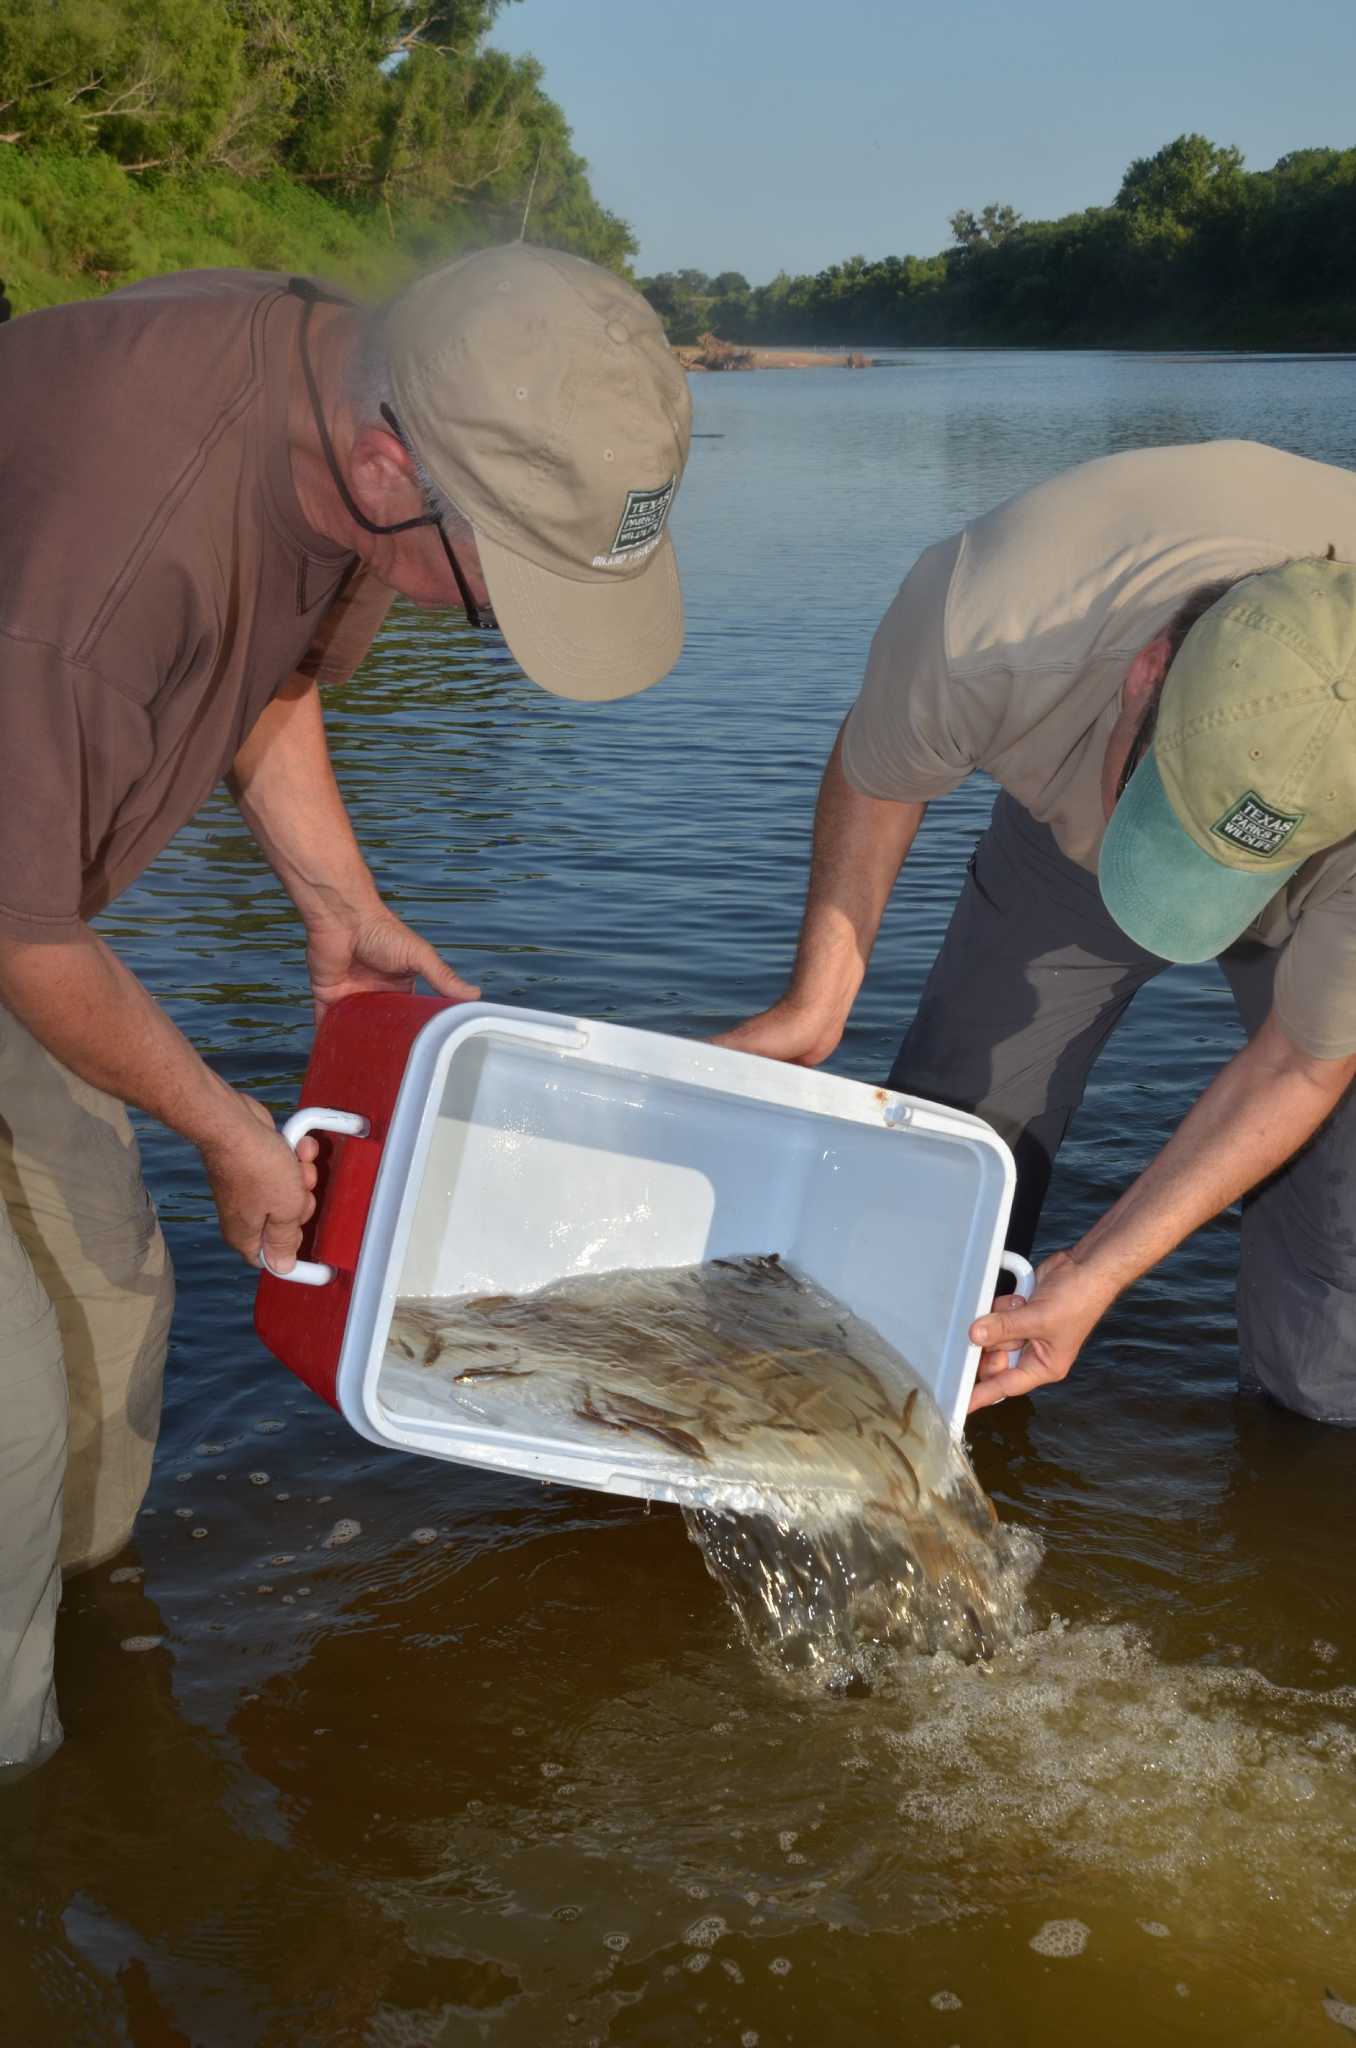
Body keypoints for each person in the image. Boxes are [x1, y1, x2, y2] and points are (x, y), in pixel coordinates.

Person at [0, 243, 692, 1776]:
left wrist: (340, 911)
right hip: (17, 903)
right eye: (503, 586)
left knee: (113, 1302)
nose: (506, 630)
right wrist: (226, 1125)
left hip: (17, 874)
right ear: (391, 464)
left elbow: (272, 682)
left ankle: (92, 1673)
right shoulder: (117, 545)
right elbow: (29, 934)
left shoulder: (357, 425)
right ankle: (26, 1791)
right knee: (6, 1426)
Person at [721, 440, 1356, 1427]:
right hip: (1063, 830)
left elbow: (1299, 1067)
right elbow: (882, 768)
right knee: (953, 1141)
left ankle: (1299, 1456)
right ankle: (898, 1398)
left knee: (1341, 1224)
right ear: (1149, 673)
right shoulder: (992, 617)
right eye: (1166, 831)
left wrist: (1098, 1271)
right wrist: (821, 995)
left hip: (1330, 871)